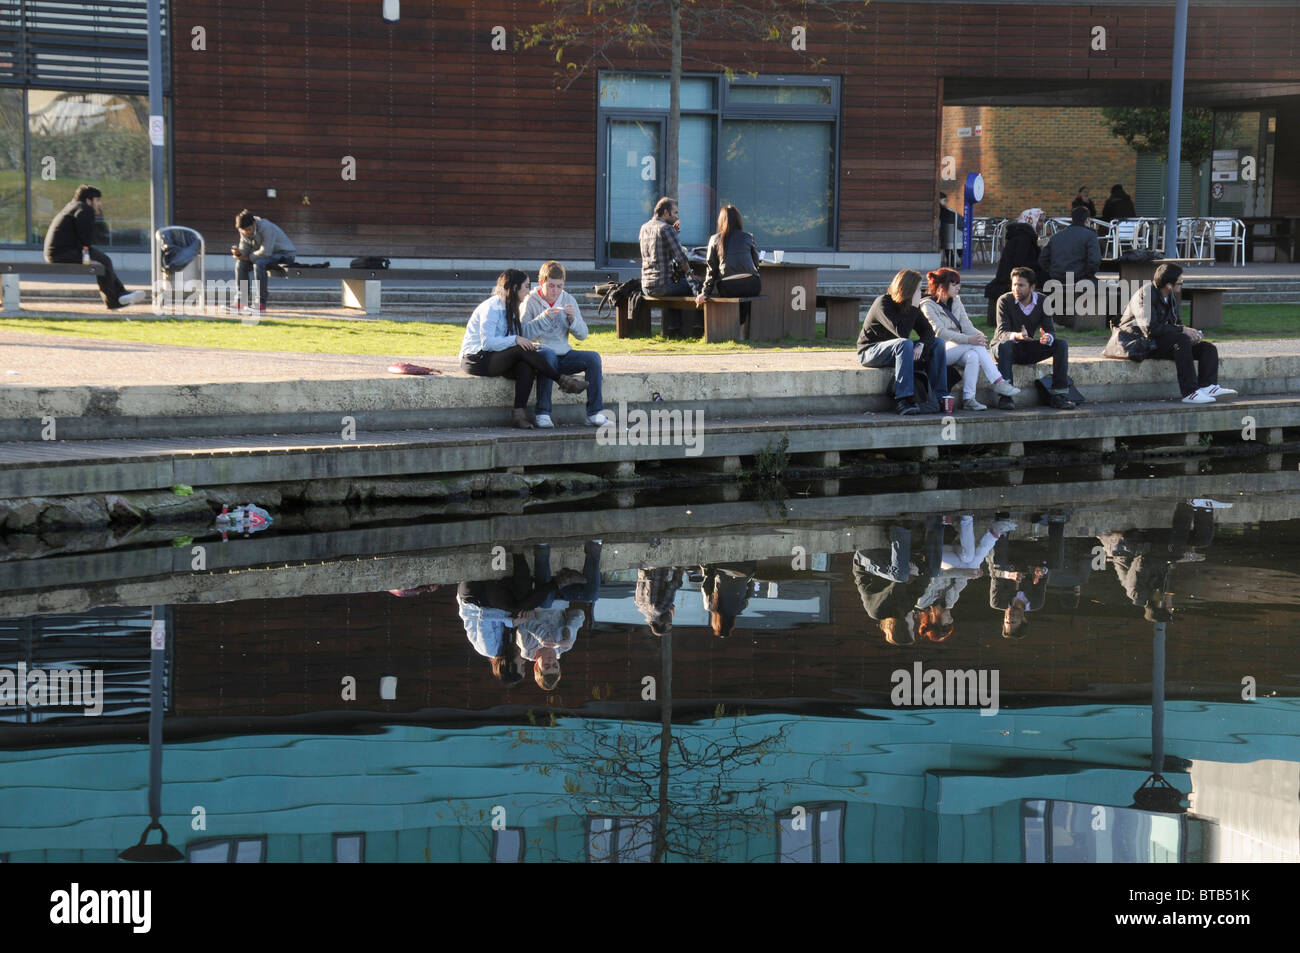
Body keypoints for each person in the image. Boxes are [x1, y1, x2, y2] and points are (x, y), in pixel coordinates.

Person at [459, 269, 588, 429]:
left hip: (496, 357)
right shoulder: (492, 307)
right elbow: (487, 343)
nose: (529, 291)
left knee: (526, 365)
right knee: (521, 350)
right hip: (476, 358)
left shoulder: (513, 307)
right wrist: (516, 339)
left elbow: (511, 342)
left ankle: (519, 414)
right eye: (526, 286)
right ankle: (562, 380)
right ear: (515, 288)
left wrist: (521, 341)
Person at [1117, 263, 1236, 404]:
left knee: (1207, 348)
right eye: (1180, 281)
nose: (1182, 284)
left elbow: (1176, 324)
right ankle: (1190, 392)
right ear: (1168, 284)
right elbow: (1150, 329)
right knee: (1181, 340)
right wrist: (1182, 331)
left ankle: (1208, 386)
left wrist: (1191, 335)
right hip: (1141, 344)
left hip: (1159, 341)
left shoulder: (1170, 297)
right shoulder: (1146, 295)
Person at [520, 261, 610, 428]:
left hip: (564, 354)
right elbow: (523, 333)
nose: (555, 291)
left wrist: (572, 320)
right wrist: (544, 318)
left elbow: (583, 335)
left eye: (559, 286)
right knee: (548, 355)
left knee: (593, 358)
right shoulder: (530, 301)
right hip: (540, 355)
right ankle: (543, 413)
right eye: (551, 286)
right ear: (541, 283)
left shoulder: (568, 299)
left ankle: (594, 412)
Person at [920, 267, 1019, 411]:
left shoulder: (956, 301)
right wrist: (969, 340)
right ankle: (998, 381)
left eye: (958, 284)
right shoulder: (927, 305)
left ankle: (969, 399)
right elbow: (940, 333)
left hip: (956, 348)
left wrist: (979, 336)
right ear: (942, 286)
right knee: (975, 346)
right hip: (938, 352)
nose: (958, 288)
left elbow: (967, 326)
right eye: (954, 284)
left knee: (973, 356)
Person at [857, 269, 948, 416]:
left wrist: (921, 344)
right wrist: (914, 306)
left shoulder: (910, 306)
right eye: (918, 289)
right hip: (870, 351)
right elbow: (902, 333)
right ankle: (904, 400)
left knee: (938, 343)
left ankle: (939, 397)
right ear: (909, 289)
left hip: (898, 351)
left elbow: (929, 331)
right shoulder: (883, 303)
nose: (921, 292)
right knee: (904, 343)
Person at [43, 185, 147, 310]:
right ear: (88, 200)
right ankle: (116, 299)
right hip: (63, 253)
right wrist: (85, 259)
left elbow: (95, 235)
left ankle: (119, 296)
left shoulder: (73, 207)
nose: (100, 204)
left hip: (57, 252)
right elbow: (85, 238)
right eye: (97, 200)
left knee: (103, 260)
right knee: (103, 261)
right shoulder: (85, 209)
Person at [992, 266, 1076, 410]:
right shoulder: (1004, 300)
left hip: (1027, 347)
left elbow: (1050, 330)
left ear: (1032, 287)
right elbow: (1002, 332)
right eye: (1014, 285)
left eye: (1021, 285)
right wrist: (1018, 335)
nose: (1016, 289)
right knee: (1005, 345)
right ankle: (1006, 397)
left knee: (1061, 345)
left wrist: (1047, 338)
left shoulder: (1043, 301)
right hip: (1003, 348)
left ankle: (1059, 395)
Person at [639, 196, 701, 337]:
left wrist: (673, 233)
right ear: (666, 212)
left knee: (677, 286)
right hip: (662, 285)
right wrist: (691, 275)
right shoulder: (666, 229)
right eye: (675, 212)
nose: (677, 216)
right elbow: (681, 258)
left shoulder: (645, 227)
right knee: (697, 286)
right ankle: (698, 329)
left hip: (646, 285)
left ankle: (673, 329)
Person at [694, 204, 760, 330]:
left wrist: (705, 292)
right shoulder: (748, 237)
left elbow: (711, 269)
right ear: (739, 220)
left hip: (729, 287)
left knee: (734, 288)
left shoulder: (715, 239)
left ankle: (729, 328)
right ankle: (741, 329)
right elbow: (756, 263)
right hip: (753, 285)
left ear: (721, 220)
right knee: (745, 294)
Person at [983, 212, 1048, 327]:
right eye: (1040, 221)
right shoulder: (1024, 239)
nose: (1042, 225)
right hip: (1014, 278)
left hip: (1010, 277)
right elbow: (1022, 263)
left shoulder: (1020, 237)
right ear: (1031, 220)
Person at [230, 209, 296, 312]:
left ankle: (261, 303)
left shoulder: (266, 227)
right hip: (264, 257)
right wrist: (238, 253)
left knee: (259, 263)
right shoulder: (243, 229)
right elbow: (245, 249)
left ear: (254, 223)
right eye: (243, 231)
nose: (246, 233)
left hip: (284, 255)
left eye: (248, 230)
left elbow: (266, 252)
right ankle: (241, 301)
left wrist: (247, 257)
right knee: (241, 264)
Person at [1039, 206, 1102, 285]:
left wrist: (1052, 272)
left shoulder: (1056, 237)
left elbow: (1043, 259)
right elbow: (1094, 261)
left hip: (1057, 279)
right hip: (1080, 278)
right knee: (1110, 292)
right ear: (1087, 220)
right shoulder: (1090, 236)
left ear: (1072, 219)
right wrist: (1087, 275)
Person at [636, 566, 684, 638]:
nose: (670, 621)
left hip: (659, 567)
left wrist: (679, 571)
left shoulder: (660, 608)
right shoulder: (639, 605)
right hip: (644, 566)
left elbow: (673, 585)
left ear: (660, 624)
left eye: (669, 624)